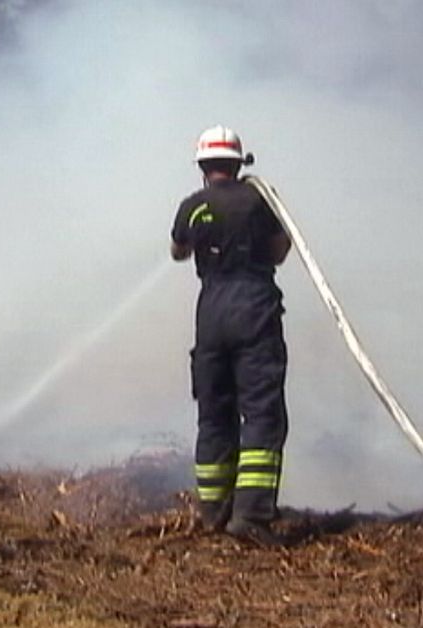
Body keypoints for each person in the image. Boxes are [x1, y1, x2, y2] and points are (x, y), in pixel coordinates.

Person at [170, 125, 292, 546]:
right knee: (261, 413)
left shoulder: (193, 205)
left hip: (211, 315)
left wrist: (208, 234)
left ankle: (212, 512)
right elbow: (280, 250)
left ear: (203, 166)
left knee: (214, 413)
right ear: (239, 163)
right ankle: (252, 517)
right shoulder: (260, 199)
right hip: (254, 308)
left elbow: (178, 251)